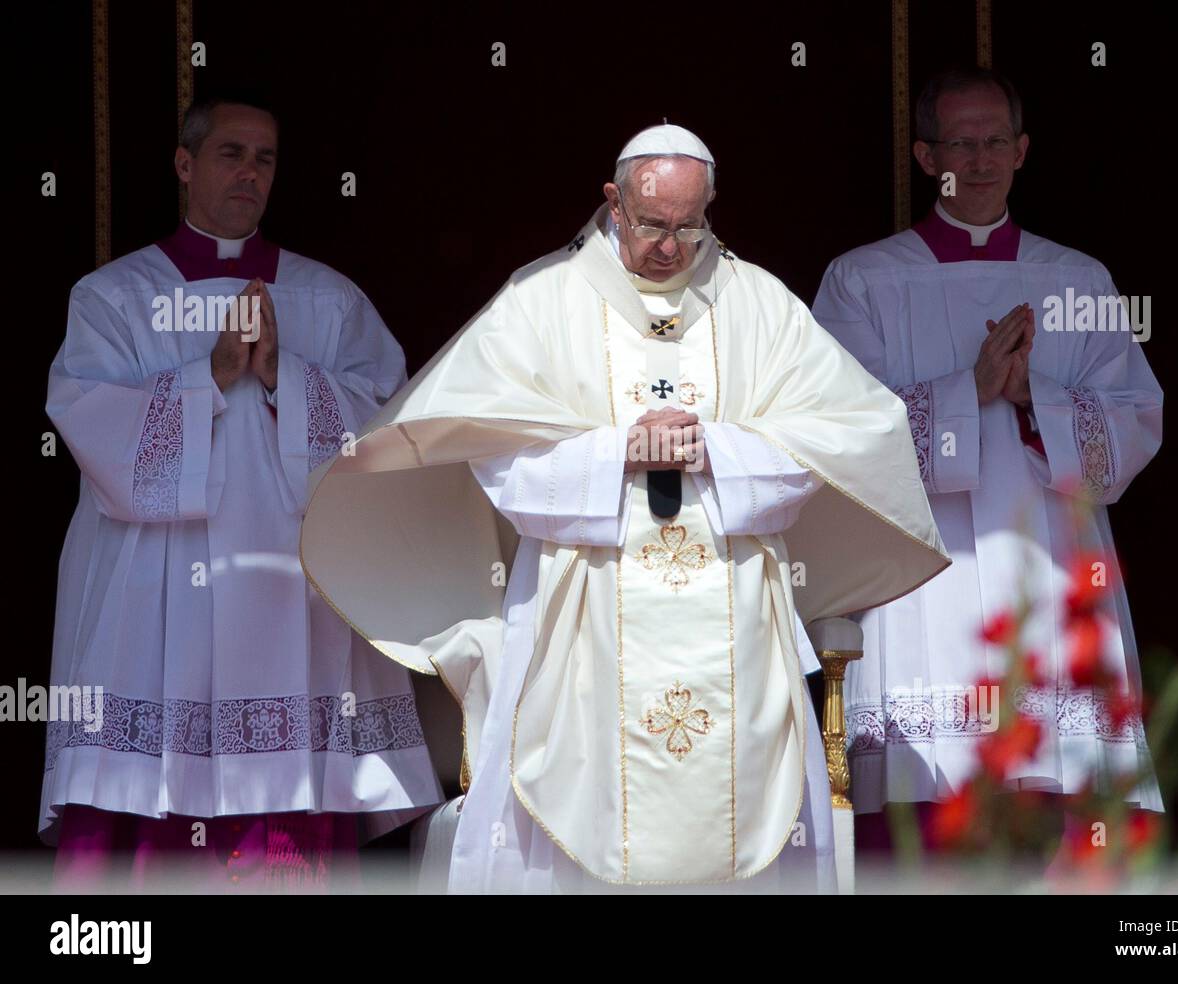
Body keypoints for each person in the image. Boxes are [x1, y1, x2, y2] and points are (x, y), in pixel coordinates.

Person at [299, 124, 949, 893]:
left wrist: (713, 448)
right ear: (613, 203)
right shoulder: (542, 302)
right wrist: (620, 452)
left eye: (688, 226)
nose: (671, 247)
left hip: (734, 612)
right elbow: (496, 458)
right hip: (583, 613)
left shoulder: (757, 304)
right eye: (652, 225)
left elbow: (840, 437)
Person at [42, 92, 441, 890]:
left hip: (287, 589)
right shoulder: (113, 298)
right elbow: (88, 422)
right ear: (185, 164)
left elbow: (392, 424)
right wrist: (210, 378)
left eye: (265, 159)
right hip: (154, 596)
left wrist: (287, 380)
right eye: (231, 153)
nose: (250, 173)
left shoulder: (327, 300)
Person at [812, 67, 1165, 855]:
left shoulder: (1078, 280)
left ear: (1023, 150)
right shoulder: (863, 281)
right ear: (923, 153)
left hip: (1052, 561)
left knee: (1063, 805)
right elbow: (834, 433)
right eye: (960, 144)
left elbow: (1137, 423)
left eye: (995, 141)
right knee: (927, 821)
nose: (978, 161)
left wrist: (1034, 399)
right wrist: (966, 391)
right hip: (920, 580)